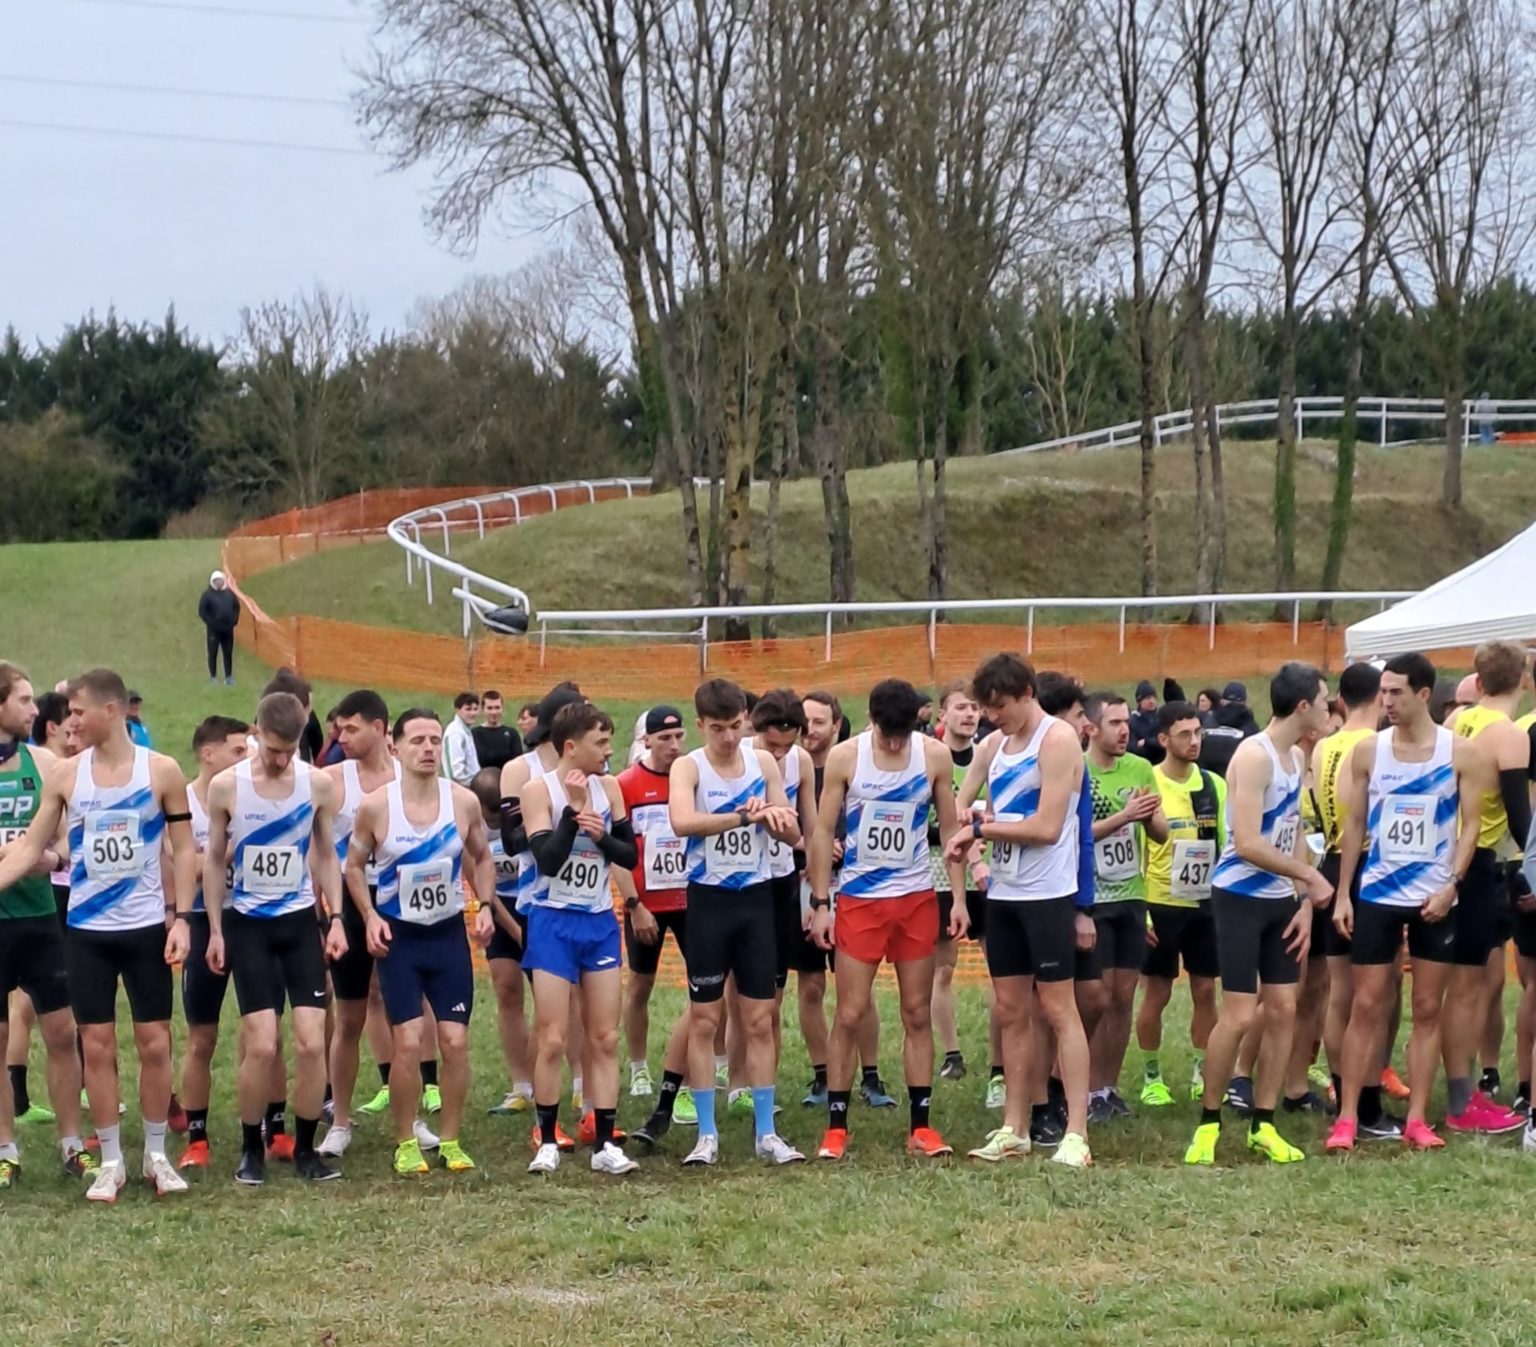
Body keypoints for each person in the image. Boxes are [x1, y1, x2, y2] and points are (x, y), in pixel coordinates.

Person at [0, 667, 198, 1202]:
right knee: (97, 1043)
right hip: (86, 931)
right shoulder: (65, 776)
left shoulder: (162, 772)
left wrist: (180, 918)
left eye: (79, 712)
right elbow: (29, 847)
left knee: (155, 1042)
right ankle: (111, 1161)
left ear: (109, 711)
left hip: (146, 929)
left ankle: (155, 1155)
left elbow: (183, 849)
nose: (71, 722)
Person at [1327, 652, 1491, 1152]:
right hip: (1377, 892)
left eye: (1397, 692)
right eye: (1383, 691)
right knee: (1367, 1004)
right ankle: (1348, 1117)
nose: (1387, 701)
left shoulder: (1462, 753)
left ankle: (1418, 1119)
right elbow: (1354, 826)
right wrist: (1343, 895)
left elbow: (1471, 828)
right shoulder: (1368, 752)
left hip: (1433, 896)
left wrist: (1452, 886)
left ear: (1424, 694)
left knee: (1425, 1007)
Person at [1183, 663, 1333, 1167]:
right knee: (1241, 1013)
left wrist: (1304, 900)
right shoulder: (1254, 755)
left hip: (1280, 901)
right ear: (1304, 706)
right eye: (1325, 699)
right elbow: (1247, 843)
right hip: (1238, 897)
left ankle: (1263, 1124)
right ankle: (1208, 1122)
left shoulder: (1296, 757)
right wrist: (1309, 878)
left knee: (1285, 1008)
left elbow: (1292, 836)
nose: (1331, 708)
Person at [809, 679, 962, 1162]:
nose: (895, 743)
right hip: (859, 899)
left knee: (917, 1012)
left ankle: (921, 1126)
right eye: (886, 734)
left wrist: (956, 899)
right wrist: (819, 903)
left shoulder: (934, 756)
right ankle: (836, 1127)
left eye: (903, 734)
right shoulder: (846, 758)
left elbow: (952, 830)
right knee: (850, 1012)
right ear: (871, 720)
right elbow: (821, 832)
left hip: (916, 898)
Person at [950, 653, 1094, 1168]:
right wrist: (968, 817)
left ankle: (1076, 1130)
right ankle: (1015, 1125)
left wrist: (981, 831)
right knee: (1011, 1010)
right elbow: (961, 800)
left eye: (1002, 706)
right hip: (1006, 894)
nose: (994, 717)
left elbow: (1047, 827)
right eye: (987, 709)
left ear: (1027, 693)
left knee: (1058, 1009)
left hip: (1048, 894)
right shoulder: (993, 744)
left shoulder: (1056, 740)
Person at [202, 693, 348, 1185]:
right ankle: (251, 1148)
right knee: (262, 1046)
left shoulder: (318, 785)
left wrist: (338, 918)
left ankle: (307, 1150)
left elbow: (327, 854)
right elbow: (214, 859)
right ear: (255, 734)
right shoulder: (226, 787)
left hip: (300, 923)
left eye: (289, 750)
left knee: (311, 1045)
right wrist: (216, 930)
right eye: (271, 749)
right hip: (249, 925)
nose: (280, 759)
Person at [347, 708, 497, 1177]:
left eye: (435, 740)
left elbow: (483, 856)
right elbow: (353, 866)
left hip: (447, 934)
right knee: (408, 1043)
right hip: (400, 939)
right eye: (418, 741)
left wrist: (486, 905)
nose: (429, 748)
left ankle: (451, 1138)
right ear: (396, 748)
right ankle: (405, 1140)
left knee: (455, 1040)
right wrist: (369, 916)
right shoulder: (376, 806)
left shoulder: (463, 802)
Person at [669, 679, 803, 1167]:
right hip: (708, 902)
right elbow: (682, 821)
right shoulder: (689, 767)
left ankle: (767, 1132)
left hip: (755, 901)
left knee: (760, 1019)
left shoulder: (763, 762)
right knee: (705, 1019)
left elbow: (790, 833)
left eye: (735, 726)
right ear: (701, 725)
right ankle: (706, 1135)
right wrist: (741, 818)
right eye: (718, 728)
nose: (729, 738)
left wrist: (778, 822)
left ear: (746, 719)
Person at [521, 702, 640, 1176]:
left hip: (598, 922)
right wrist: (572, 819)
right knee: (552, 1037)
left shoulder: (610, 788)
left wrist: (603, 836)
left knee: (605, 1037)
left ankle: (605, 1142)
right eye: (601, 742)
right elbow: (546, 861)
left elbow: (628, 855)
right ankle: (547, 1139)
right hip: (552, 919)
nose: (609, 751)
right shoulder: (538, 791)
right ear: (571, 747)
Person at [319, 690, 437, 1160]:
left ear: (380, 728)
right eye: (338, 729)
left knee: (406, 1013)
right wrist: (327, 908)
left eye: (351, 729)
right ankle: (340, 1121)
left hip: (404, 906)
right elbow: (320, 849)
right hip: (349, 906)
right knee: (348, 1016)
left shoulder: (409, 772)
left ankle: (412, 1119)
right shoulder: (330, 780)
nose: (341, 738)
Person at [0, 663, 90, 1187]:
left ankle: (72, 1144)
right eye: (25, 700)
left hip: (40, 916)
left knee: (62, 1031)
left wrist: (50, 861)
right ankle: (6, 1149)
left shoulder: (45, 763)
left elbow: (64, 841)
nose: (36, 711)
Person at [1310, 663, 1404, 1136]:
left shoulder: (1324, 745)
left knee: (1338, 990)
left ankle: (1340, 1087)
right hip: (1363, 865)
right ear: (1377, 698)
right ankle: (1364, 1099)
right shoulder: (1373, 747)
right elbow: (1362, 818)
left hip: (1329, 860)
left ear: (1341, 701)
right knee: (1374, 991)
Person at [1442, 642, 1531, 1133]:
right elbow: (1522, 821)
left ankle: (1464, 1090)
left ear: (1476, 681)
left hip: (1447, 856)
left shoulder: (1459, 722)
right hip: (1477, 862)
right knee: (1468, 990)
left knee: (1465, 985)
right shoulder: (1510, 736)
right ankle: (1462, 1101)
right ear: (1525, 679)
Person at [1083, 692, 1167, 1120]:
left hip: (1131, 896)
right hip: (1090, 899)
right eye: (1114, 723)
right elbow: (1073, 836)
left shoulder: (1139, 769)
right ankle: (1075, 1086)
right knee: (1092, 997)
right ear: (1091, 728)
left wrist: (1149, 816)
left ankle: (1105, 1089)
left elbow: (1161, 835)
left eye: (1126, 723)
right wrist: (1124, 815)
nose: (1124, 731)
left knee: (1122, 997)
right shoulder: (1077, 771)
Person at [1137, 702, 1224, 1106]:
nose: (1194, 741)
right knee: (1157, 992)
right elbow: (1136, 850)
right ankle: (1151, 1076)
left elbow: (1226, 845)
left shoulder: (1214, 785)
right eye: (1185, 734)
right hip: (1160, 902)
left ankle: (1200, 1069)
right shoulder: (1148, 783)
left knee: (1205, 990)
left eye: (1198, 733)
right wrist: (1144, 912)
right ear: (1163, 739)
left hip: (1204, 904)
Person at [176, 714, 252, 1170]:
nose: (247, 759)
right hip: (203, 922)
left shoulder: (250, 797)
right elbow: (180, 860)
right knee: (201, 1036)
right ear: (209, 753)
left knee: (258, 1029)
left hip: (246, 920)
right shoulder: (181, 799)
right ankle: (197, 1136)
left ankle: (267, 1125)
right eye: (238, 751)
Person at [615, 706, 695, 1137]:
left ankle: (704, 1069)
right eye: (665, 739)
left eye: (679, 737)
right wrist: (634, 904)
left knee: (705, 987)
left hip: (689, 900)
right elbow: (619, 852)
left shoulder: (690, 777)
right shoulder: (626, 784)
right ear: (646, 741)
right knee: (641, 985)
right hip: (648, 902)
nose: (674, 746)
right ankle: (639, 1066)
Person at [928, 681, 991, 1085]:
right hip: (939, 871)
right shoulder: (931, 760)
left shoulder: (990, 758)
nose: (969, 715)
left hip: (989, 872)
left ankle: (1001, 1068)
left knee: (1002, 969)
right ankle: (952, 1053)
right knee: (943, 970)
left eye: (975, 708)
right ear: (942, 717)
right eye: (961, 708)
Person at [1199, 681, 1261, 777]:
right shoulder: (1252, 729)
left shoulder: (1206, 722)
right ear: (1244, 702)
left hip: (1208, 785)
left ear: (1222, 702)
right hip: (1236, 785)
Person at [198, 569, 241, 685]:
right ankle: (213, 677)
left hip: (228, 629)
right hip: (214, 631)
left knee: (228, 653)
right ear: (212, 582)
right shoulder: (207, 595)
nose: (218, 583)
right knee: (213, 653)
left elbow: (236, 607)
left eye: (220, 580)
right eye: (216, 581)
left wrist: (234, 620)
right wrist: (211, 623)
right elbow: (202, 611)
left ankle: (229, 677)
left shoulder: (229, 594)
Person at [472, 690, 522, 773]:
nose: (494, 712)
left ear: (502, 708)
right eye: (490, 708)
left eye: (497, 707)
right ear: (483, 709)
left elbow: (518, 763)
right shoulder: (474, 734)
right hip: (481, 782)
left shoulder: (512, 734)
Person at [443, 692, 481, 786]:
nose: (472, 713)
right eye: (468, 709)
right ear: (457, 710)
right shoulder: (455, 732)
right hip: (461, 788)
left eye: (475, 709)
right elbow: (456, 771)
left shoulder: (465, 730)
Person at [1127, 680, 1162, 762]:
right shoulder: (1132, 721)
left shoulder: (1161, 717)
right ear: (1139, 701)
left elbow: (1166, 741)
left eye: (1154, 697)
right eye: (1147, 698)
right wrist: (1155, 747)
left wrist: (1146, 742)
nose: (1151, 701)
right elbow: (1132, 748)